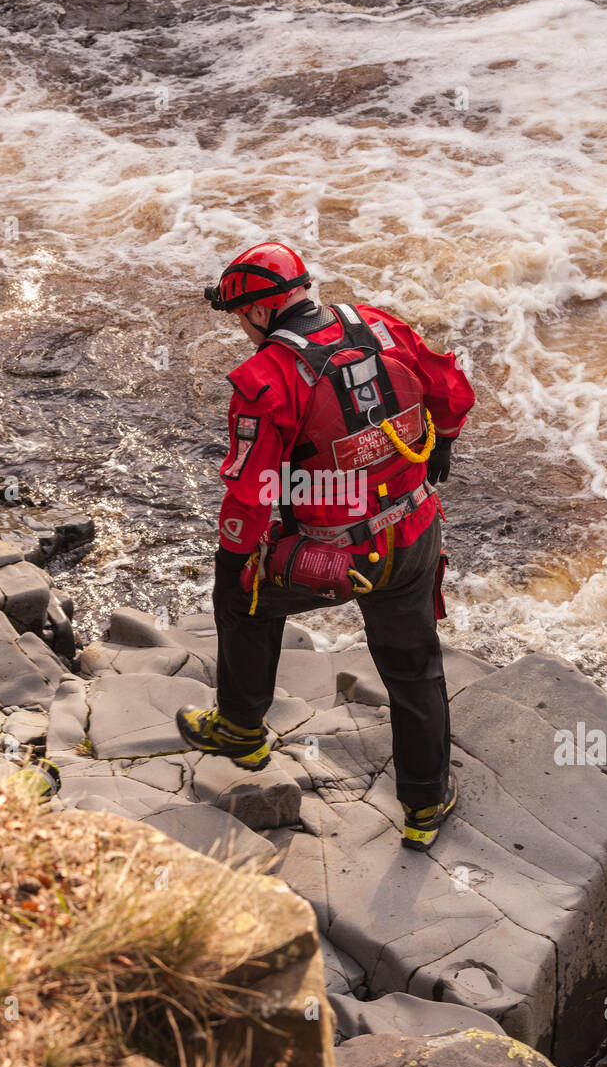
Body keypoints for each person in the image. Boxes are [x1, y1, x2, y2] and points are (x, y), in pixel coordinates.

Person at [177, 242, 475, 850]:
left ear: (261, 312)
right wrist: (441, 438)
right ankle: (425, 804)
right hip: (416, 531)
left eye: (241, 318)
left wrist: (238, 561)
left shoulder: (266, 379)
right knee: (414, 666)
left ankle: (239, 727)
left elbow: (252, 494)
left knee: (243, 597)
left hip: (335, 558)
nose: (242, 329)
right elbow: (451, 389)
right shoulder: (380, 325)